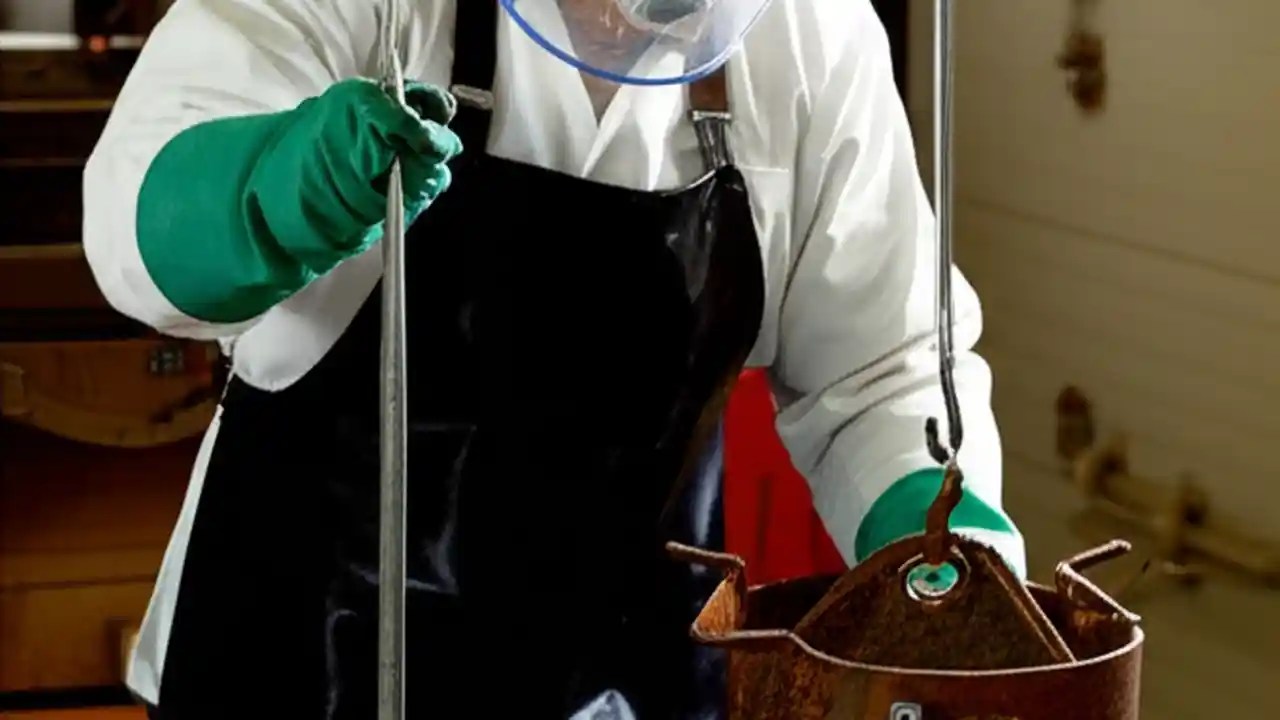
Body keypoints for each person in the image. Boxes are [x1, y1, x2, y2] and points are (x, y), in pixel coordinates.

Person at [82, 0, 1026, 717]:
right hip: (299, 665)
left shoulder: (808, 34)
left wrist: (949, 556)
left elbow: (879, 373)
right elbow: (131, 229)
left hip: (625, 687)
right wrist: (265, 190)